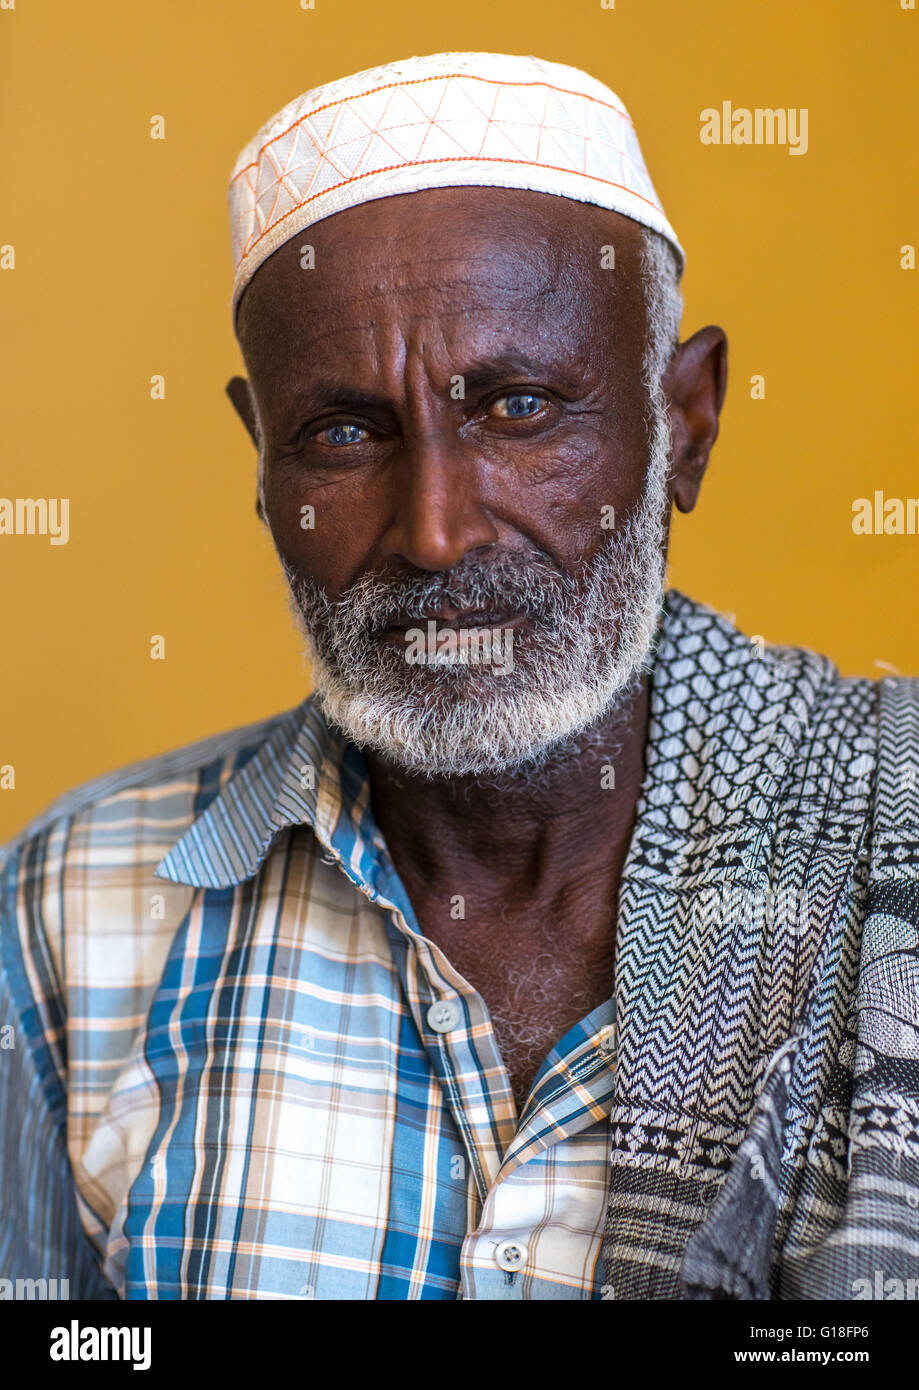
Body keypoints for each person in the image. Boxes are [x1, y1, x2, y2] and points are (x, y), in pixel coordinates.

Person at [1, 51, 917, 1302]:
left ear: (684, 424)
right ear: (258, 464)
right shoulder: (70, 909)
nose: (434, 531)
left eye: (521, 407)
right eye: (341, 434)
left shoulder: (891, 841)